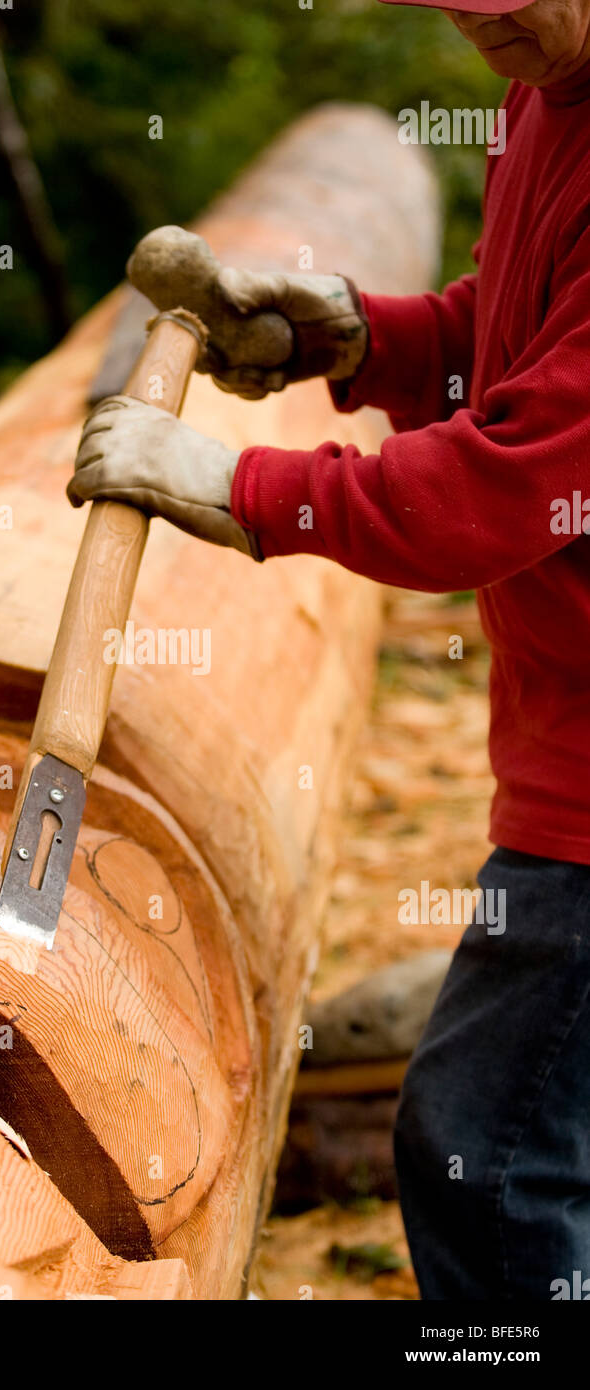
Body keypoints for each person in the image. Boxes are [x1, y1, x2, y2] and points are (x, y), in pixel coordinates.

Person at [68, 0, 590, 1300]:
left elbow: (505, 483)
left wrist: (238, 488)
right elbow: (514, 348)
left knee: (489, 1148)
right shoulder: (543, 94)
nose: (487, 34)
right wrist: (360, 338)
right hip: (560, 728)